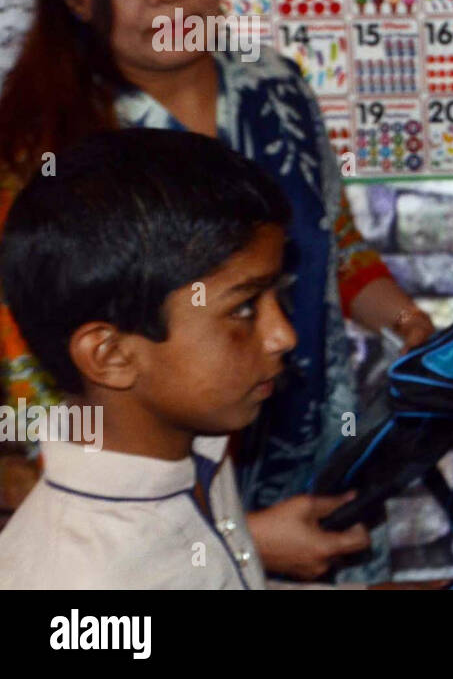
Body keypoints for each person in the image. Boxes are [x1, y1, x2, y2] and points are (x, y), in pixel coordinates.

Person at [0, 0, 435, 581]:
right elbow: (41, 409)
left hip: (324, 473)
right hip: (156, 538)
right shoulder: (39, 162)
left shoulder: (276, 86)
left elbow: (337, 244)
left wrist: (416, 332)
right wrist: (240, 535)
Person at [0, 129, 299, 588]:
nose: (283, 336)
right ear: (111, 355)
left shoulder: (197, 446)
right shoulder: (79, 581)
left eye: (279, 295)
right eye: (243, 308)